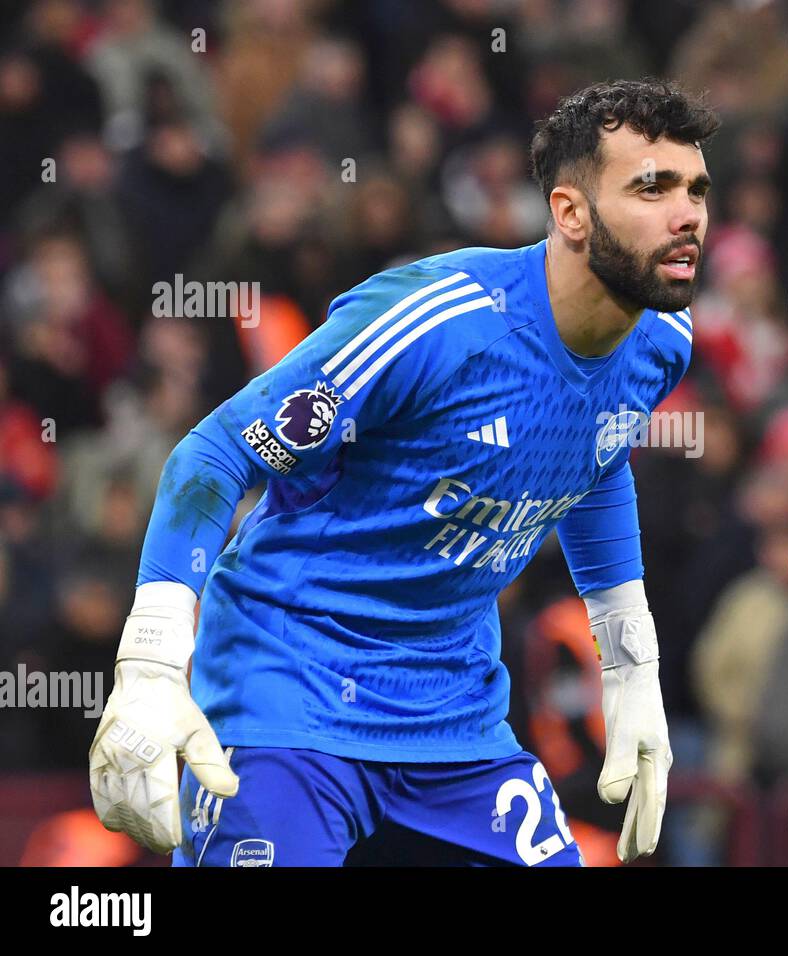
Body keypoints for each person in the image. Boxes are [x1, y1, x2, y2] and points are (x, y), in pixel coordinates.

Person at [88, 77, 719, 867]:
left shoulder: (663, 337)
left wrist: (629, 658)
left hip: (454, 720)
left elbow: (600, 451)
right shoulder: (435, 323)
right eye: (652, 188)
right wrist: (148, 660)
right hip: (289, 694)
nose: (688, 213)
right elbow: (214, 455)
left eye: (695, 187)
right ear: (570, 213)